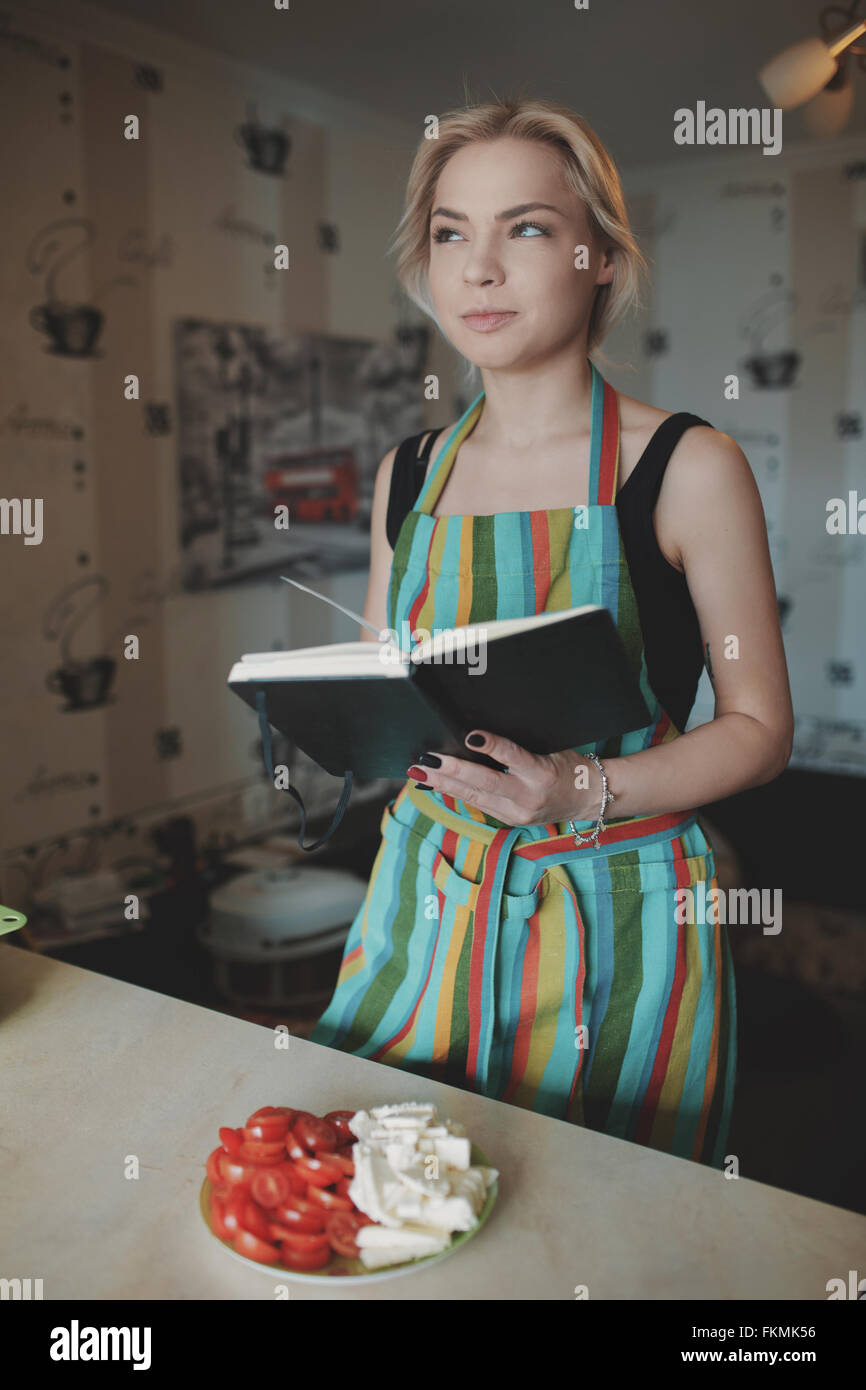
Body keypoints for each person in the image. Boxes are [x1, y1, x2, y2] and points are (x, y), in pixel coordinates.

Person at [310, 97, 794, 1168]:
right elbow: (400, 683)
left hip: (617, 915)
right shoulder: (408, 473)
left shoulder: (684, 465)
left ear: (598, 258)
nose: (478, 268)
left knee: (597, 1226)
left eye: (523, 228)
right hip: (427, 892)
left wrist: (577, 790)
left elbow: (759, 729)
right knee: (390, 1191)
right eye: (450, 232)